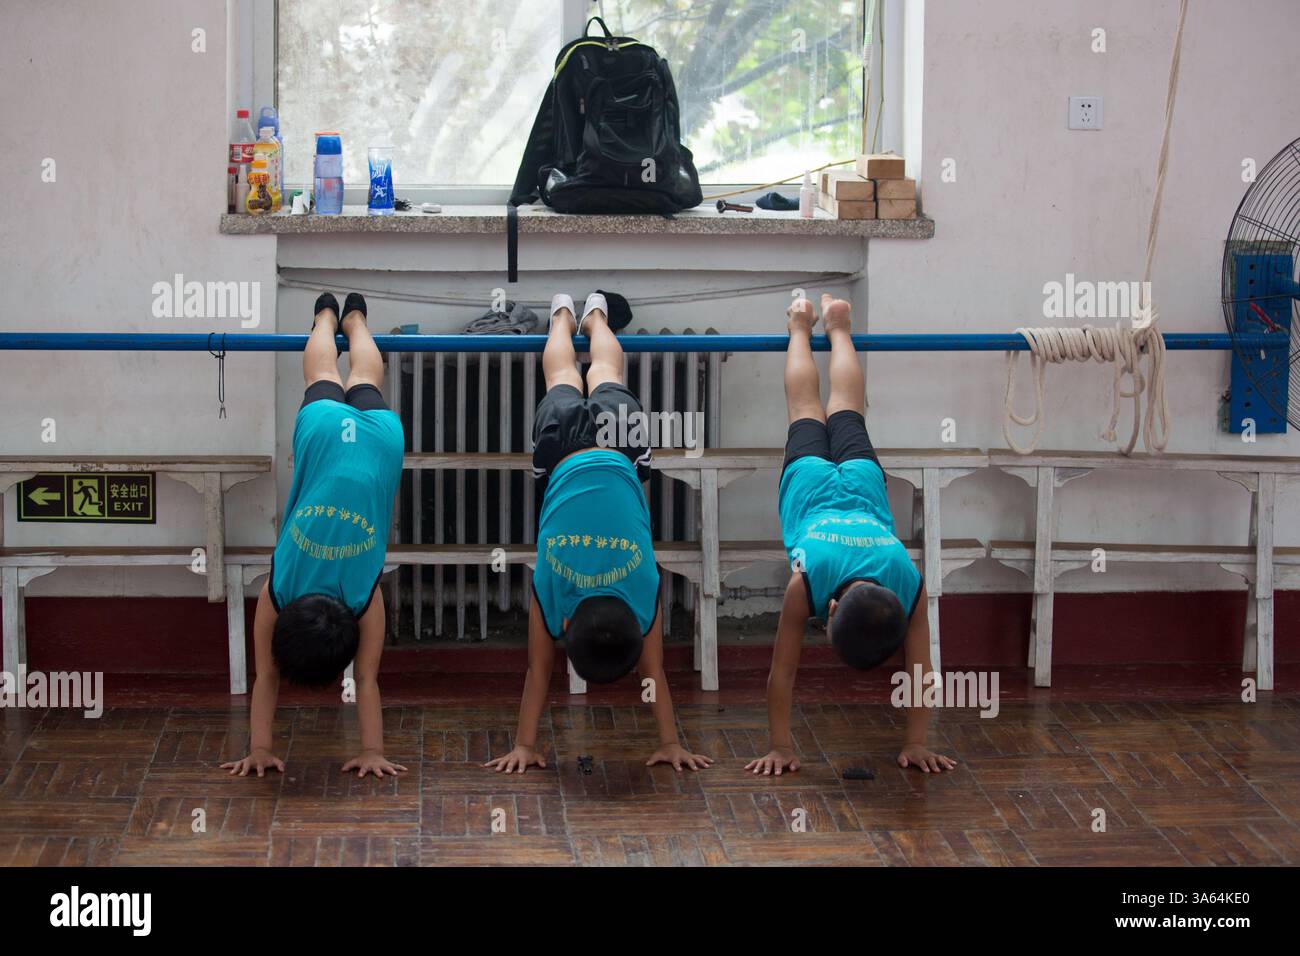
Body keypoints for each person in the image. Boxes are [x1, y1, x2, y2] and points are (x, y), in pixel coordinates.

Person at [484, 293, 711, 774]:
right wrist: (523, 744)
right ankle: (563, 317)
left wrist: (673, 741)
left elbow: (654, 673)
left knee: (607, 372)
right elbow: (539, 672)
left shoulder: (643, 595)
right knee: (563, 378)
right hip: (562, 450)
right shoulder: (552, 594)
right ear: (567, 627)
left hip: (620, 449)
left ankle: (593, 314)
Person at [746, 294, 957, 777]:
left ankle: (835, 324)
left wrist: (918, 740)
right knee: (804, 406)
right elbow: (785, 673)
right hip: (808, 484)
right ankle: (801, 324)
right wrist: (780, 746)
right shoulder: (806, 585)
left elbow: (921, 672)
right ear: (833, 610)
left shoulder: (909, 582)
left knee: (846, 409)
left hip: (863, 481)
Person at [222, 292, 407, 779]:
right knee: (324, 378)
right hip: (325, 439)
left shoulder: (362, 598)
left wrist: (373, 751)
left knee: (366, 381)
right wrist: (258, 747)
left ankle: (352, 318)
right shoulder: (279, 590)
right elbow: (268, 676)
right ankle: (329, 316)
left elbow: (365, 679)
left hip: (377, 449)